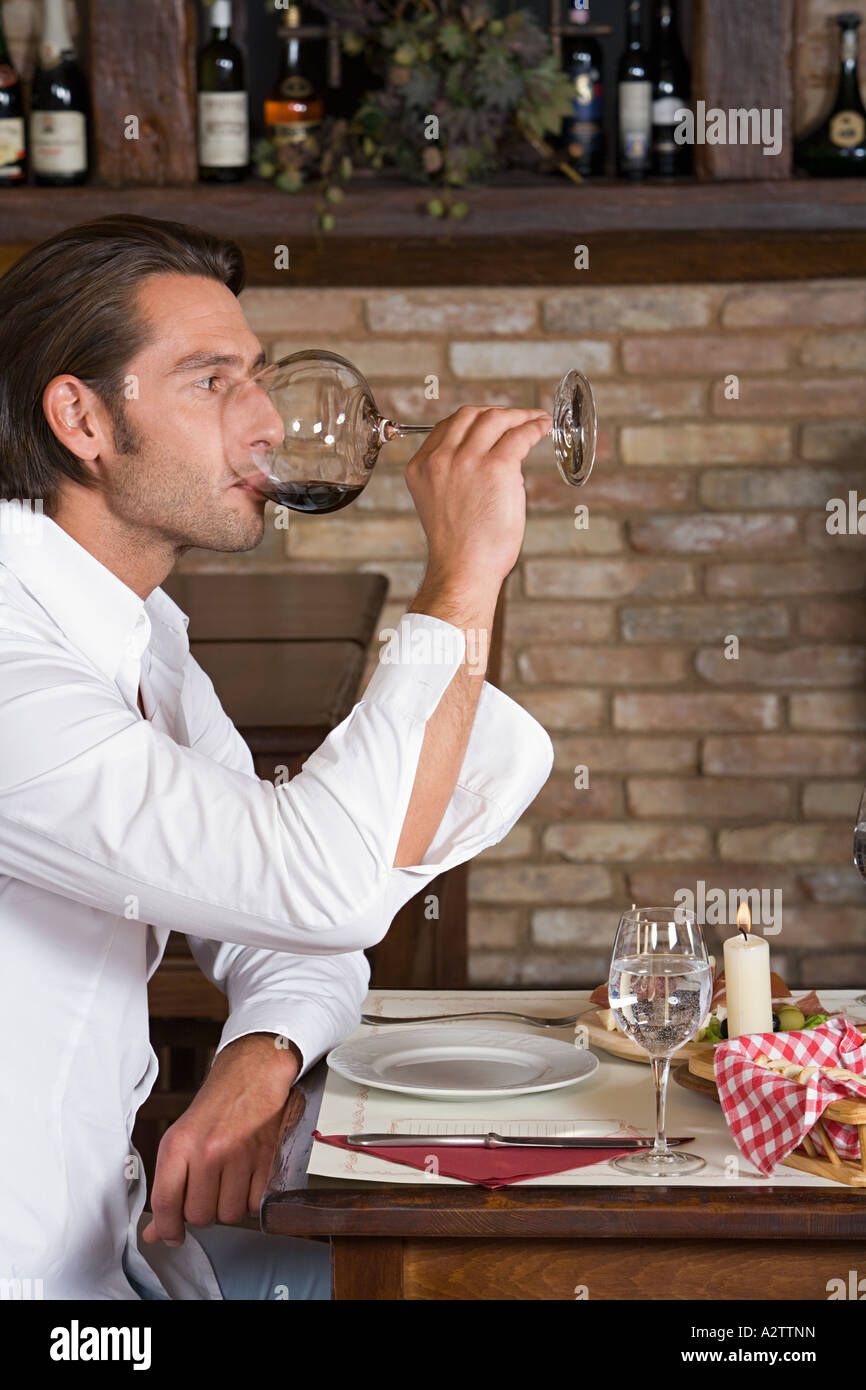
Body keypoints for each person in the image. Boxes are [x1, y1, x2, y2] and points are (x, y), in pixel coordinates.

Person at [0, 215, 555, 1300]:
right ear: (82, 418)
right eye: (211, 382)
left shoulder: (142, 632)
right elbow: (330, 883)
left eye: (255, 375)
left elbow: (296, 912)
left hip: (118, 1251)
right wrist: (463, 576)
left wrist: (263, 1053)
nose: (263, 423)